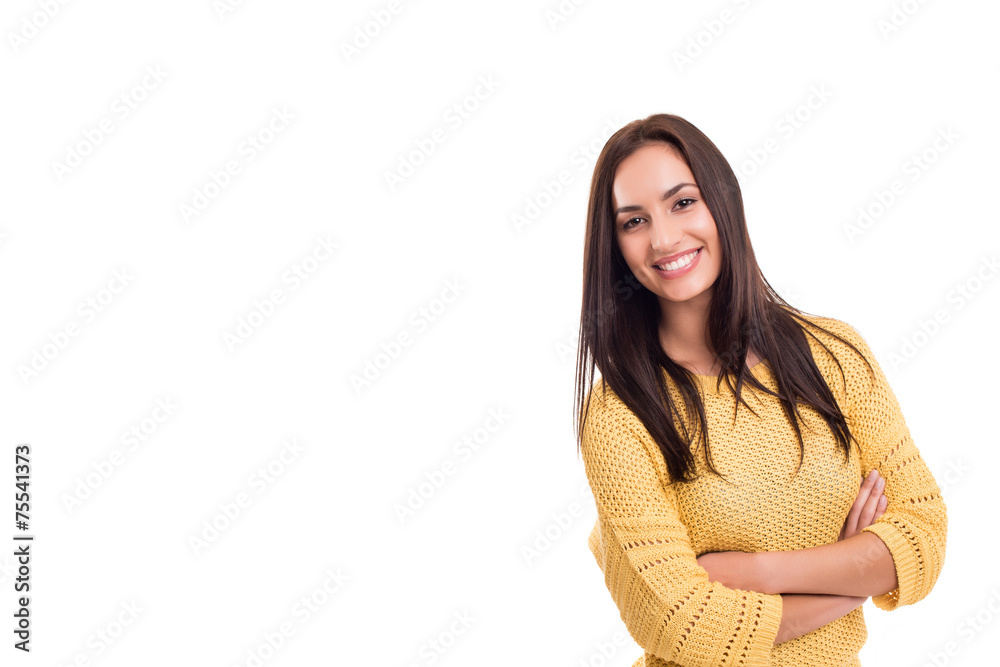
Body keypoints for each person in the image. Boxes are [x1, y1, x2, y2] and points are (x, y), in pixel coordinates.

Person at [573, 114, 948, 666]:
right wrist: (852, 574)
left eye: (683, 203)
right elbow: (681, 621)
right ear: (616, 247)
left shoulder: (835, 356)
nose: (664, 238)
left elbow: (924, 536)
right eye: (633, 221)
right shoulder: (618, 414)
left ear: (724, 203)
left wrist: (755, 573)